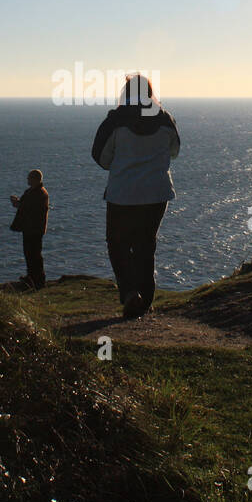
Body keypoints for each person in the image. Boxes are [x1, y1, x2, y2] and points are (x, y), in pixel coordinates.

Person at [90, 75, 180, 319]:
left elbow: (100, 156)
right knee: (145, 244)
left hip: (122, 193)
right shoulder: (165, 119)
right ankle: (145, 299)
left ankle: (130, 293)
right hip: (157, 193)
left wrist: (122, 163)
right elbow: (175, 151)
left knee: (117, 244)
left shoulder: (115, 120)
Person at [10, 169, 49, 289]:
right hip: (30, 228)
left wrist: (18, 203)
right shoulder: (35, 192)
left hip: (34, 229)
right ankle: (32, 278)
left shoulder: (40, 193)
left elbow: (30, 208)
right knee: (29, 254)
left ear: (35, 179)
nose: (28, 180)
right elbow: (26, 205)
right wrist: (18, 203)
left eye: (29, 178)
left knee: (34, 255)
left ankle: (38, 280)